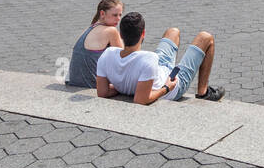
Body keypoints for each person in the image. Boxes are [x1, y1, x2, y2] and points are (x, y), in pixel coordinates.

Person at [95, 12, 225, 104]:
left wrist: (121, 85)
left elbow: (102, 92)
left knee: (172, 31)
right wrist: (167, 87)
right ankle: (203, 93)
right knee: (206, 37)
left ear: (121, 35)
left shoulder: (107, 55)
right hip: (173, 84)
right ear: (143, 33)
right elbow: (141, 100)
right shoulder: (148, 59)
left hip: (159, 68)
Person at [65, 0, 124, 88]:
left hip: (74, 83)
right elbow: (124, 59)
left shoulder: (91, 27)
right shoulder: (111, 31)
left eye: (120, 15)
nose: (118, 19)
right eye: (115, 15)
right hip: (90, 86)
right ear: (102, 13)